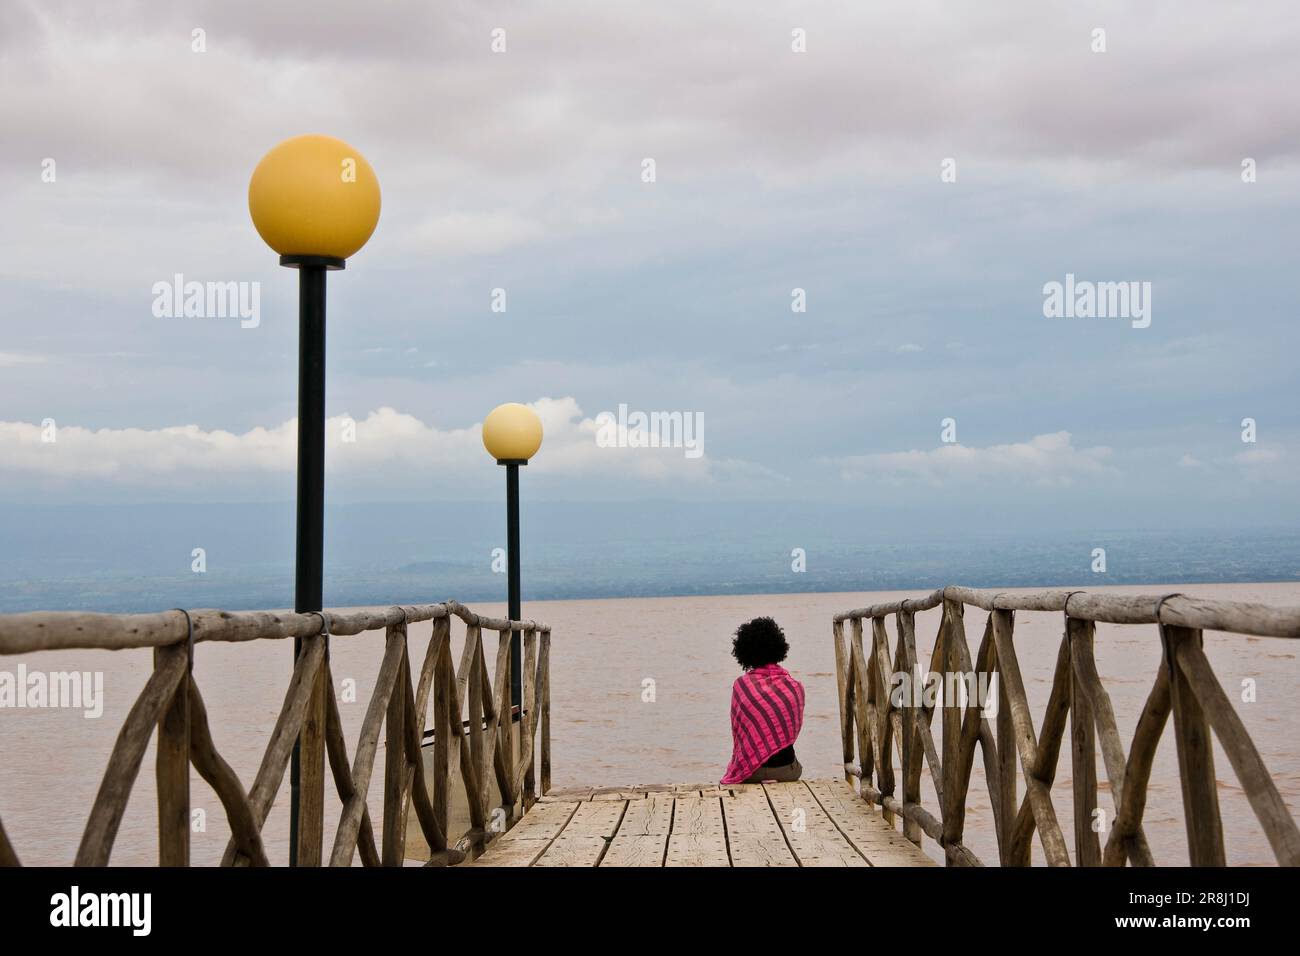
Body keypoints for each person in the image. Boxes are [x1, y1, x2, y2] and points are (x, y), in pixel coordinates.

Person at [720, 617, 805, 785]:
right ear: (779, 647)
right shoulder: (794, 686)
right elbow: (792, 731)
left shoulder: (741, 685)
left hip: (751, 773)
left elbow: (739, 734)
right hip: (787, 771)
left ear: (744, 652)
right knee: (795, 764)